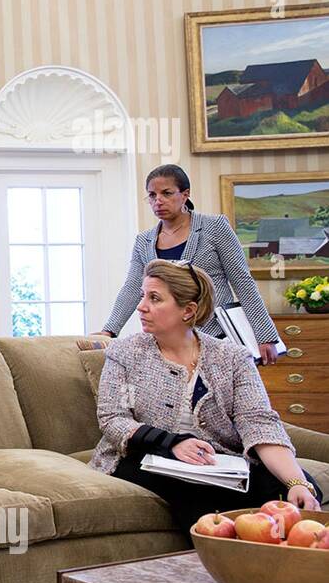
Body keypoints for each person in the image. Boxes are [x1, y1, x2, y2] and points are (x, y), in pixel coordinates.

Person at [89, 258, 322, 529]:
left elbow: (259, 424)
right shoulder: (124, 352)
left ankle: (282, 560)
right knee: (198, 495)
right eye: (144, 296)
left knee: (298, 489)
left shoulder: (232, 358)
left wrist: (296, 482)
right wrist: (172, 443)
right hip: (141, 457)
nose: (141, 307)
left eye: (154, 298)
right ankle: (228, 562)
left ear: (188, 310)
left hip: (217, 463)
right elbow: (112, 418)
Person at [98, 163, 280, 365]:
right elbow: (132, 289)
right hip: (166, 343)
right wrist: (110, 330)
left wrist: (265, 336)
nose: (158, 201)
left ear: (185, 194)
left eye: (166, 193)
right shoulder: (144, 241)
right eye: (152, 195)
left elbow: (242, 281)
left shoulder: (215, 227)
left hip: (215, 336)